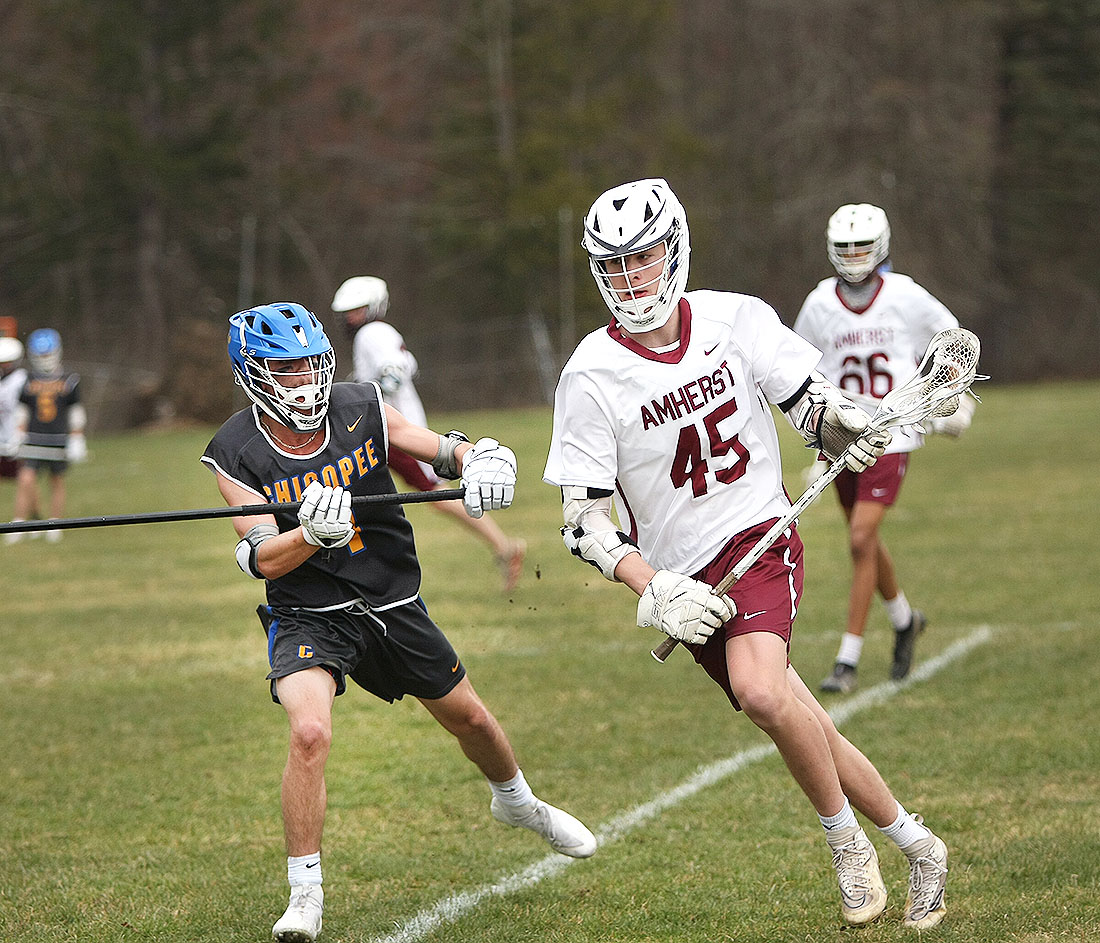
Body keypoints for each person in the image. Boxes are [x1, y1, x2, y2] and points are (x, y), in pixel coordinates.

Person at [544, 179, 948, 931]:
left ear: (677, 248)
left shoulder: (736, 318)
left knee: (762, 692)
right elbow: (583, 520)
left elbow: (809, 407)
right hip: (685, 577)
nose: (634, 278)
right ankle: (920, 844)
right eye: (618, 265)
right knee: (806, 718)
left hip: (760, 535)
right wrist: (651, 583)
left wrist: (844, 423)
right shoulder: (591, 373)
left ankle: (847, 844)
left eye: (647, 257)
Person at [202, 302, 595, 943]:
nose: (303, 380)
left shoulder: (359, 405)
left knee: (472, 718)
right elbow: (261, 557)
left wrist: (481, 457)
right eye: (285, 369)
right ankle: (305, 898)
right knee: (308, 733)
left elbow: (438, 449)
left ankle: (518, 802)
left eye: (309, 364)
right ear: (253, 376)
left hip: (390, 598)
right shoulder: (234, 451)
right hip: (308, 613)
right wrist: (308, 534)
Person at [793, 204, 974, 694]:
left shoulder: (905, 295)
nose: (853, 256)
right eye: (846, 247)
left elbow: (951, 338)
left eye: (862, 246)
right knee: (864, 539)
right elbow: (798, 367)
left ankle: (847, 659)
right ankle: (903, 620)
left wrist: (949, 391)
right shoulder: (819, 304)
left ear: (882, 246)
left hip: (890, 432)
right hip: (839, 432)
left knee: (858, 539)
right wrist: (816, 442)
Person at [331, 276, 527, 591]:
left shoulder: (372, 332)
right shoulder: (377, 333)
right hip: (383, 427)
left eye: (358, 309)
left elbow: (395, 369)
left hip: (392, 429)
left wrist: (369, 398)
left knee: (434, 493)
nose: (351, 317)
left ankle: (504, 546)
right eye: (348, 311)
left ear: (374, 307)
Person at [8, 328, 87, 543]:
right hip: (34, 438)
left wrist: (77, 436)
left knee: (56, 481)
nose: (44, 359)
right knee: (26, 479)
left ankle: (55, 523)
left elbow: (75, 410)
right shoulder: (27, 379)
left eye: (47, 354)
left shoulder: (69, 379)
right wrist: (18, 432)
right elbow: (23, 410)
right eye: (40, 355)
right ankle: (20, 522)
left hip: (58, 438)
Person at [0, 336, 27, 481]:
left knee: (24, 476)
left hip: (16, 435)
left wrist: (20, 434)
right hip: (2, 433)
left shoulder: (21, 379)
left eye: (6, 363)